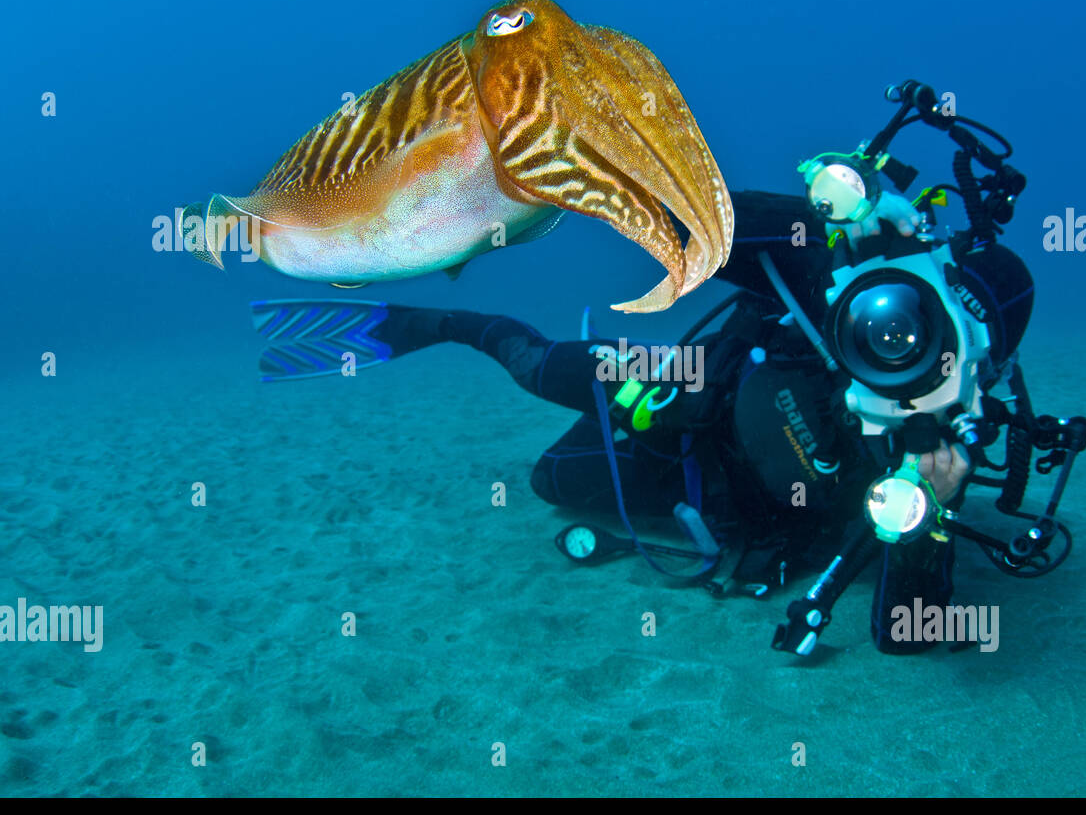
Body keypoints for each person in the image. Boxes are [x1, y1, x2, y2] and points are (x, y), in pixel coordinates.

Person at [252, 187, 1029, 654]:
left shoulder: (938, 436)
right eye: (937, 296)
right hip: (676, 388)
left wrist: (932, 515)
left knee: (551, 479)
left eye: (965, 334)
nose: (911, 337)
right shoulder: (838, 275)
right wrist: (837, 221)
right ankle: (457, 323)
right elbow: (694, 219)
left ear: (985, 359)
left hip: (704, 492)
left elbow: (905, 630)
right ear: (925, 266)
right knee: (531, 363)